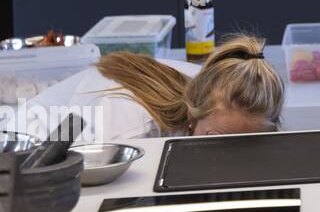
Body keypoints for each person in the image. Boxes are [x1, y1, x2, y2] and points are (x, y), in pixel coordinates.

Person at [33, 35, 283, 143]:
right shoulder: (129, 131)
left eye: (248, 145)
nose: (230, 161)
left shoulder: (224, 87)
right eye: (215, 141)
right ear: (190, 116)